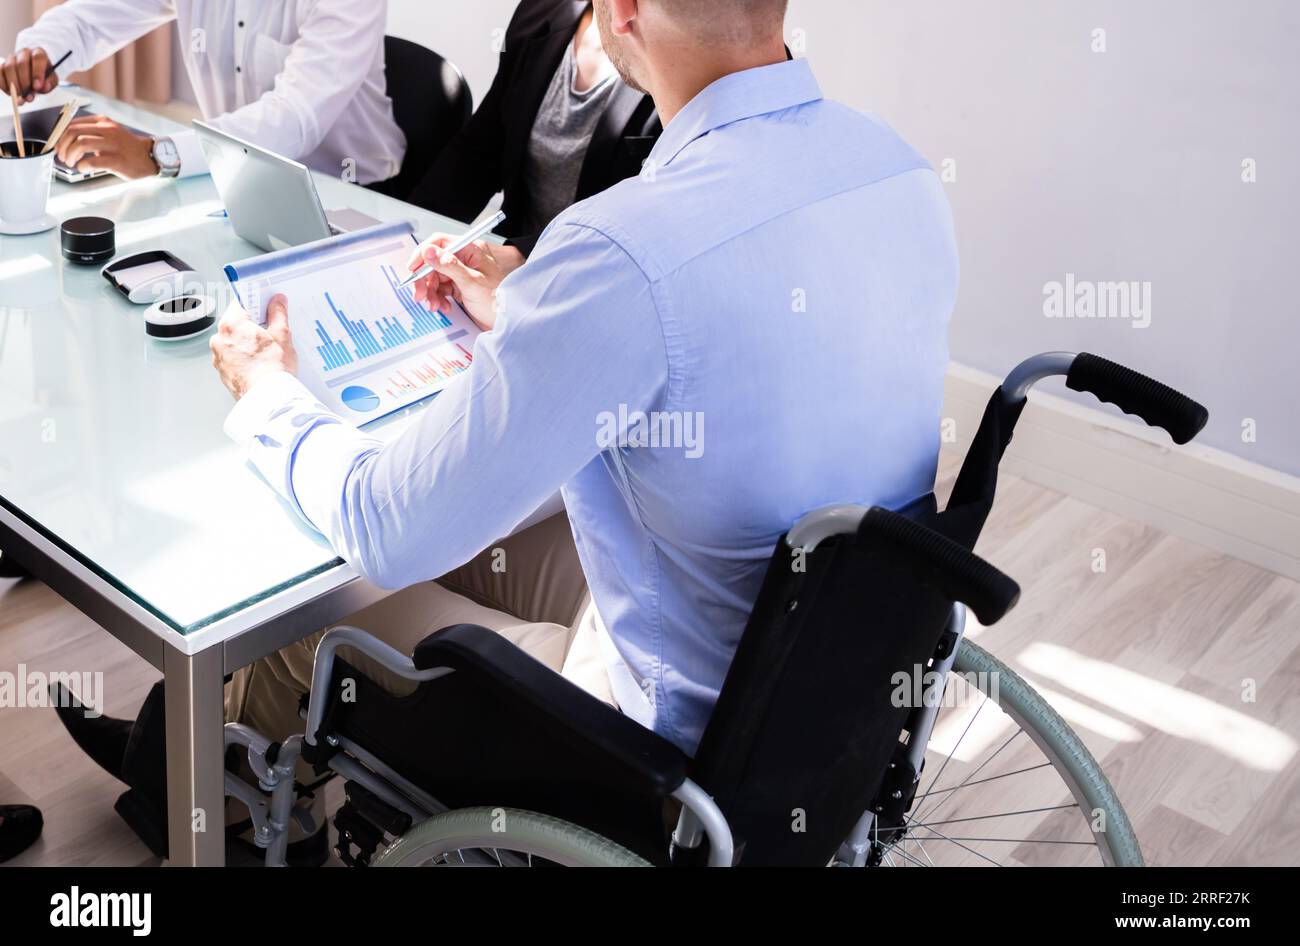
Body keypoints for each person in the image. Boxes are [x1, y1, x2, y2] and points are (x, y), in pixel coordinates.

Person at [68, 0, 958, 848]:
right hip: (825, 679)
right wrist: (542, 305)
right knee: (469, 524)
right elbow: (741, 348)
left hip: (657, 749)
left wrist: (268, 396)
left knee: (318, 599)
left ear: (623, 17)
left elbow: (386, 528)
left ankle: (208, 798)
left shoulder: (628, 244)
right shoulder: (900, 170)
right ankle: (205, 769)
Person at [4, 0, 404, 185]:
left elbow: (295, 119)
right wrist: (39, 51)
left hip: (350, 190)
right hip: (234, 177)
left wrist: (158, 154)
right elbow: (89, 18)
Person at [409, 0, 661, 263]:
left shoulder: (677, 53)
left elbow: (650, 219)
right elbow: (480, 152)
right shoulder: (541, 11)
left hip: (600, 274)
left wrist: (522, 256)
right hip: (508, 261)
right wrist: (408, 230)